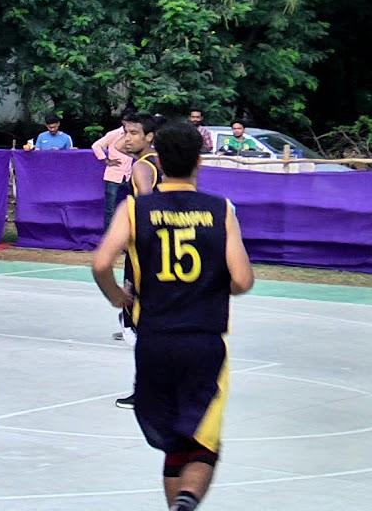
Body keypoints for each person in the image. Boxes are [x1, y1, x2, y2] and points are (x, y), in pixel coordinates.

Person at [91, 121, 254, 511]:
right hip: (202, 338)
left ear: (159, 161)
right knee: (203, 444)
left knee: (175, 444)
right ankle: (186, 501)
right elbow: (242, 280)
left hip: (154, 339)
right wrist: (212, 283)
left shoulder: (135, 208)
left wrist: (117, 296)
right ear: (200, 161)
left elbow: (100, 263)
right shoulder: (220, 209)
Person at [114, 110, 165, 406]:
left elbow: (147, 205)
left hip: (142, 253)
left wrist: (129, 234)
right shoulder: (156, 162)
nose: (127, 138)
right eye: (125, 131)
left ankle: (147, 389)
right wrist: (132, 133)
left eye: (134, 133)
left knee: (139, 320)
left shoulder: (143, 168)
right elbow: (120, 146)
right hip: (156, 250)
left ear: (150, 137)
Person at [91, 126, 133, 229]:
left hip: (128, 175)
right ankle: (108, 234)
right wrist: (106, 160)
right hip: (114, 175)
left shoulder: (134, 134)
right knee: (110, 209)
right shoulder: (114, 133)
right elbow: (96, 145)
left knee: (131, 206)